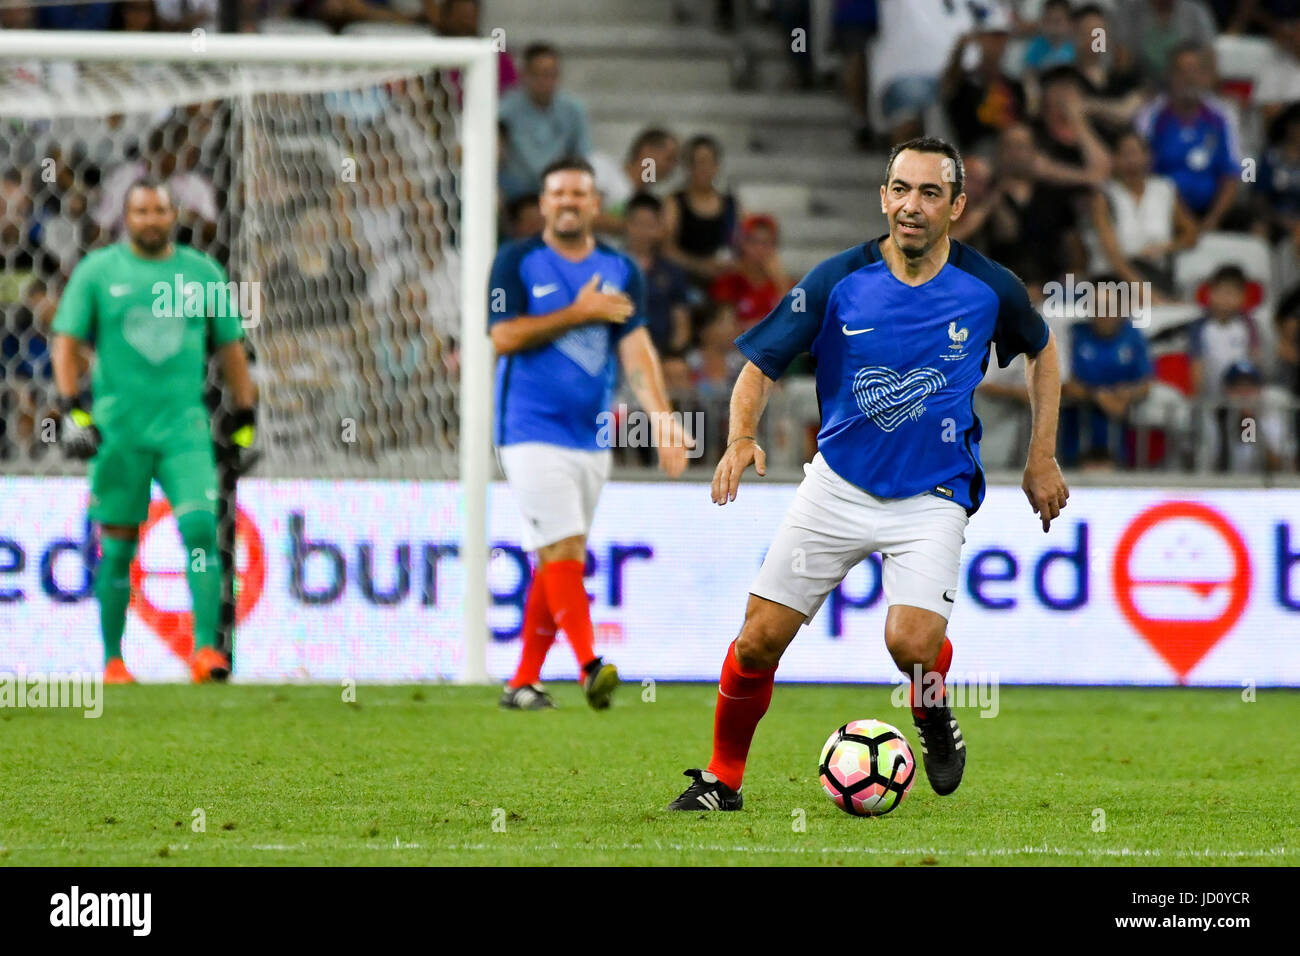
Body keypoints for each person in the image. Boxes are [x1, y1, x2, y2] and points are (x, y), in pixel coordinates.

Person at [667, 138, 1068, 811]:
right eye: (901, 190)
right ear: (883, 198)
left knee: (910, 645)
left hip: (933, 494)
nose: (912, 206)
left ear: (957, 205)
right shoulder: (836, 281)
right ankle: (721, 780)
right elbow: (761, 364)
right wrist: (739, 437)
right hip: (837, 484)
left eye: (930, 193)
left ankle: (932, 710)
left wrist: (1041, 455)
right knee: (758, 640)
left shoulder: (988, 288)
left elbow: (1043, 351)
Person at [489, 157, 689, 711]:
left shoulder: (620, 270)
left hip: (590, 437)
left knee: (555, 555)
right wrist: (579, 313)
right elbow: (504, 336)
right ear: (544, 204)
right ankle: (589, 664)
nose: (569, 202)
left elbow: (635, 349)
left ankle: (522, 681)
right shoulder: (517, 260)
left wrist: (663, 417)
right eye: (558, 193)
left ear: (597, 205)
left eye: (580, 193)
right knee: (566, 548)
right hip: (527, 430)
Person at [50, 178, 257, 684]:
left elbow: (231, 348)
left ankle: (206, 653)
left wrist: (246, 419)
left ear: (174, 215)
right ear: (126, 217)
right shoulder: (99, 272)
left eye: (159, 211)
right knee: (117, 545)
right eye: (140, 211)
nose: (150, 219)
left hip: (184, 429)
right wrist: (73, 410)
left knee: (202, 530)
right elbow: (67, 341)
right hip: (119, 430)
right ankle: (114, 662)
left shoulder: (202, 273)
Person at [1135, 43, 1242, 232]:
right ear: (1170, 76)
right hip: (1162, 210)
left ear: (1206, 76)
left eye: (1196, 71)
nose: (1189, 78)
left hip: (1211, 210)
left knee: (1248, 219)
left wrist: (1213, 219)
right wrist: (1180, 218)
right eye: (1182, 72)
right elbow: (1142, 172)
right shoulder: (1149, 116)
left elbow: (1232, 175)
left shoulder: (1224, 116)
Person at [1091, 128, 1199, 295]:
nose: (1130, 160)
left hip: (1155, 274)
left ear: (1148, 157)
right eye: (1124, 154)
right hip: (1115, 279)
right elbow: (1113, 256)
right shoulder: (1105, 195)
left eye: (1135, 153)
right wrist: (1147, 295)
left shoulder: (1164, 189)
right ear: (1114, 159)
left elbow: (1191, 234)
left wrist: (1165, 248)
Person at [1060, 277, 1154, 466]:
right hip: (1077, 435)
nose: (1102, 312)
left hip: (1119, 436)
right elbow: (1063, 382)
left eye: (1108, 305)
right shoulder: (1073, 334)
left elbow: (1145, 383)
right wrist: (1097, 396)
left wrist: (1127, 394)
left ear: (1122, 308)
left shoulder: (1134, 337)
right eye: (1096, 305)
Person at [498, 44, 593, 201]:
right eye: (537, 74)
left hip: (559, 189)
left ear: (558, 76)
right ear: (524, 75)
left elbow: (583, 155)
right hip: (515, 191)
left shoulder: (574, 110)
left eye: (549, 74)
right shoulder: (505, 109)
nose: (544, 81)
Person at [621, 193, 694, 357]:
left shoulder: (672, 272)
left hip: (661, 355)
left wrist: (671, 355)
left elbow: (682, 324)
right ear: (626, 225)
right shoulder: (606, 267)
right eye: (637, 223)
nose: (642, 231)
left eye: (650, 225)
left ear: (660, 229)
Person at [662, 135, 740, 284]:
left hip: (723, 279)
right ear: (688, 167)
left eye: (709, 162)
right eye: (699, 163)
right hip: (684, 279)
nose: (704, 169)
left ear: (717, 166)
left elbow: (740, 243)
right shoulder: (675, 202)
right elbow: (666, 249)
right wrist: (699, 265)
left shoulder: (731, 204)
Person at [708, 214, 794, 332]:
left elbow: (793, 323)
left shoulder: (786, 283)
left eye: (765, 243)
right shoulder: (729, 280)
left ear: (774, 247)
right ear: (742, 244)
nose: (759, 249)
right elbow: (726, 328)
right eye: (753, 242)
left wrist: (780, 282)